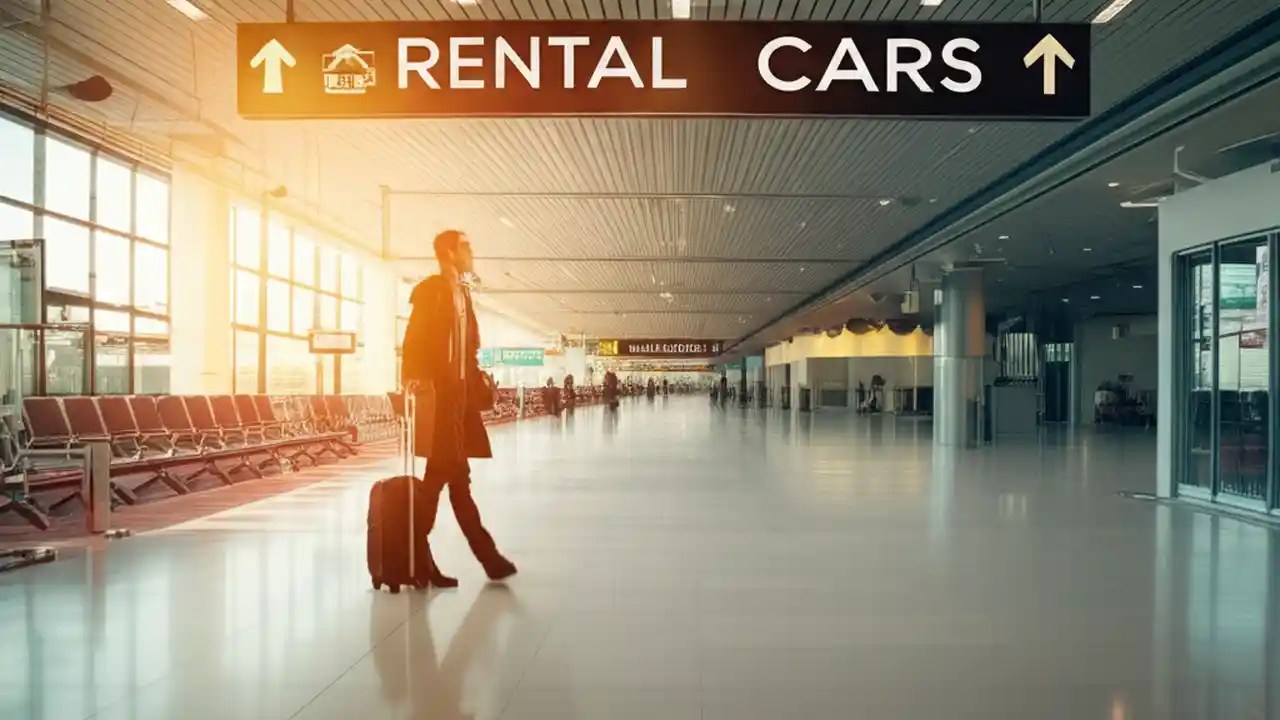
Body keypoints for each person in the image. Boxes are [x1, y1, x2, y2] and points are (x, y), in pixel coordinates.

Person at [401, 229, 517, 587]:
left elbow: (469, 350)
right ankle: (486, 558)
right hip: (440, 402)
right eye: (465, 247)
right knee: (449, 481)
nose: (470, 253)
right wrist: (416, 380)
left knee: (446, 481)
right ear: (450, 253)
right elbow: (414, 340)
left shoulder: (463, 295)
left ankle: (424, 560)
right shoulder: (431, 291)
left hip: (459, 404)